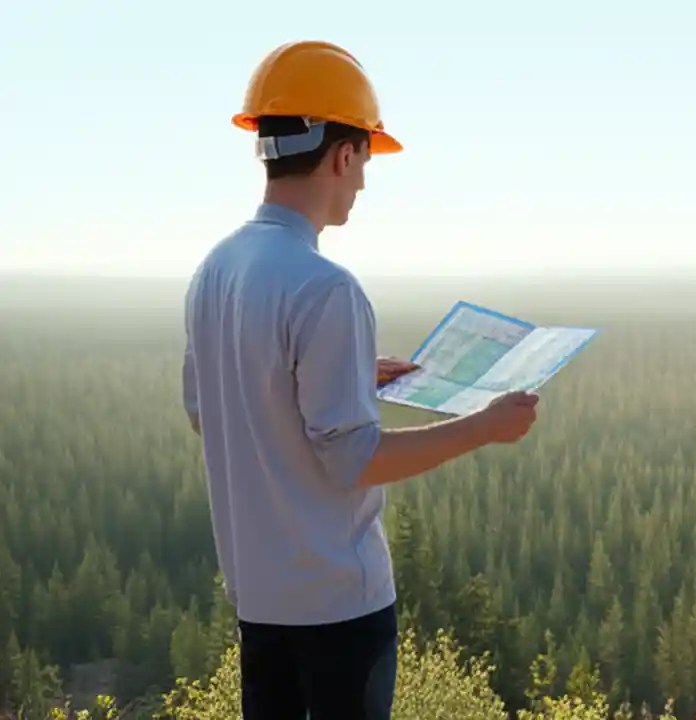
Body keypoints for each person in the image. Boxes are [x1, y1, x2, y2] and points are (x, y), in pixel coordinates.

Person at [180, 40, 539, 720]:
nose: (365, 182)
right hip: (339, 608)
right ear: (342, 154)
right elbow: (355, 460)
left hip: (259, 602)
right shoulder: (326, 289)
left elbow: (212, 406)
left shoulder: (216, 269)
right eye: (366, 159)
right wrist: (484, 428)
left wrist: (344, 377)